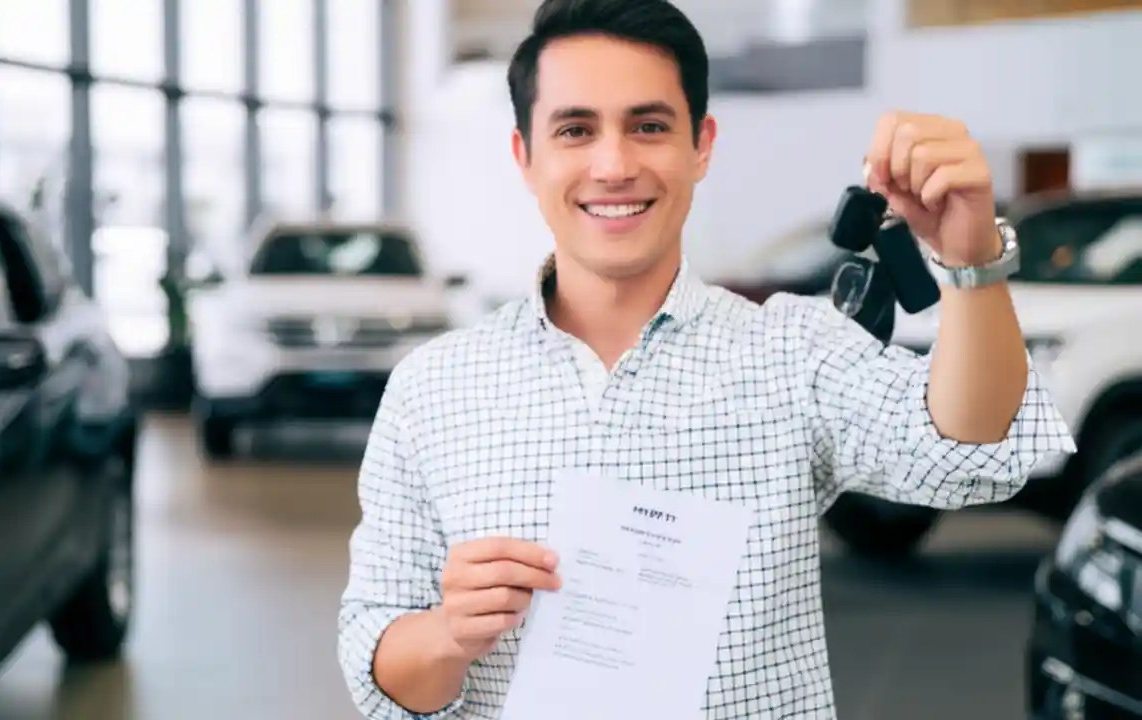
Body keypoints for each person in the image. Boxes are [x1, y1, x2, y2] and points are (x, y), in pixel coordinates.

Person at [337, 0, 1076, 717]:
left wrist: (971, 262)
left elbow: (977, 451)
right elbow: (382, 672)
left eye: (649, 126)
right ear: (525, 157)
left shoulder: (792, 351)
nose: (614, 164)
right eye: (575, 129)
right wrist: (448, 635)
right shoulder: (433, 388)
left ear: (702, 146)